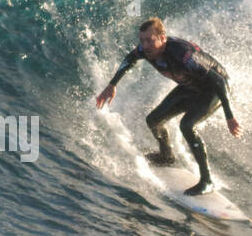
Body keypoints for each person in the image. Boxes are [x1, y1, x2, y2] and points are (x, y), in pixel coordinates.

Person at [94, 17, 242, 196]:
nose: (145, 45)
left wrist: (229, 116)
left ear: (162, 38)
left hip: (214, 90)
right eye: (142, 40)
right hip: (191, 87)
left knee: (186, 125)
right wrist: (112, 85)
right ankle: (166, 155)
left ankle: (207, 181)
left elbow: (218, 80)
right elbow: (130, 59)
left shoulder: (184, 54)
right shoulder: (146, 51)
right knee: (154, 120)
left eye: (150, 40)